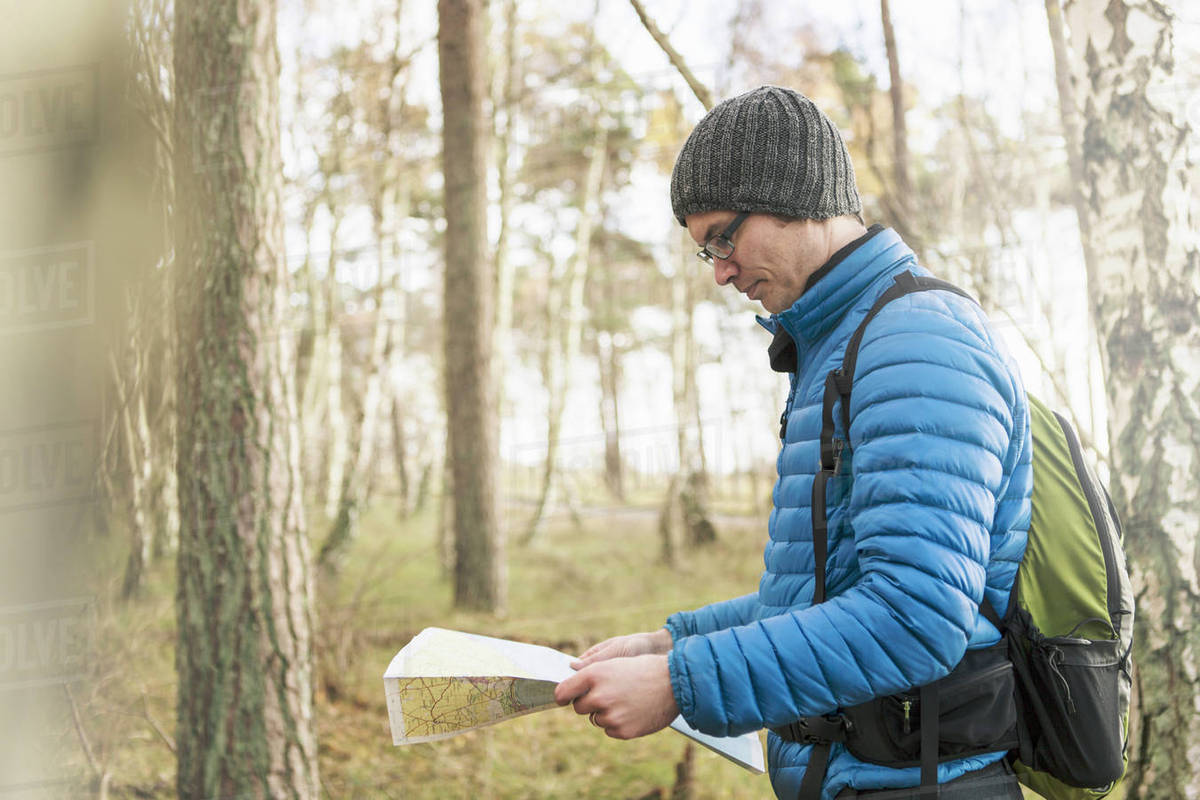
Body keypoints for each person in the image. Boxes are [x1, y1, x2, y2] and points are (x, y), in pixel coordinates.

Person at [554, 85, 1033, 800]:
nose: (719, 270)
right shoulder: (839, 345)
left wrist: (680, 683)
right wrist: (671, 643)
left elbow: (915, 617)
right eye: (704, 252)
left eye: (723, 237)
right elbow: (821, 593)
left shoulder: (919, 340)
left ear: (796, 193)